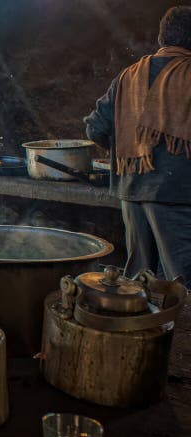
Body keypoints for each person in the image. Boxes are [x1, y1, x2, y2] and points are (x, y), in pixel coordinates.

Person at [84, 6, 191, 283]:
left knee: (138, 282)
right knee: (181, 283)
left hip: (132, 192)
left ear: (161, 37)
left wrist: (132, 149)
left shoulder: (128, 75)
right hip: (178, 195)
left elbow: (95, 128)